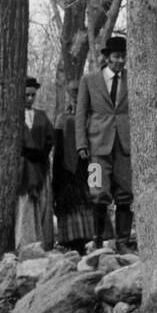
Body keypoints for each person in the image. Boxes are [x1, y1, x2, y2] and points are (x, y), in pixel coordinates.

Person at [75, 34, 133, 250]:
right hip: (96, 147)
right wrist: (81, 144)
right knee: (98, 191)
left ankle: (123, 242)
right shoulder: (89, 80)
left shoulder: (132, 78)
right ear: (108, 57)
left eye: (123, 57)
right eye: (117, 56)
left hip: (125, 147)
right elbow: (81, 113)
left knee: (126, 192)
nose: (120, 61)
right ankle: (98, 240)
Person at [52, 79, 96, 251]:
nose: (76, 96)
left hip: (92, 164)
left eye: (80, 92)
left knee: (96, 195)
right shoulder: (63, 119)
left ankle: (98, 237)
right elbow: (58, 151)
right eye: (74, 92)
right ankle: (73, 242)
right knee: (72, 198)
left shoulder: (93, 116)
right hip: (69, 168)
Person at [15, 76, 55, 249]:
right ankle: (24, 242)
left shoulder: (41, 115)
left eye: (33, 95)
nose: (30, 99)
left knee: (43, 202)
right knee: (25, 204)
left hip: (40, 164)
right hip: (23, 167)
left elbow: (50, 138)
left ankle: (43, 241)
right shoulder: (14, 115)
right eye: (27, 95)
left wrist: (41, 154)